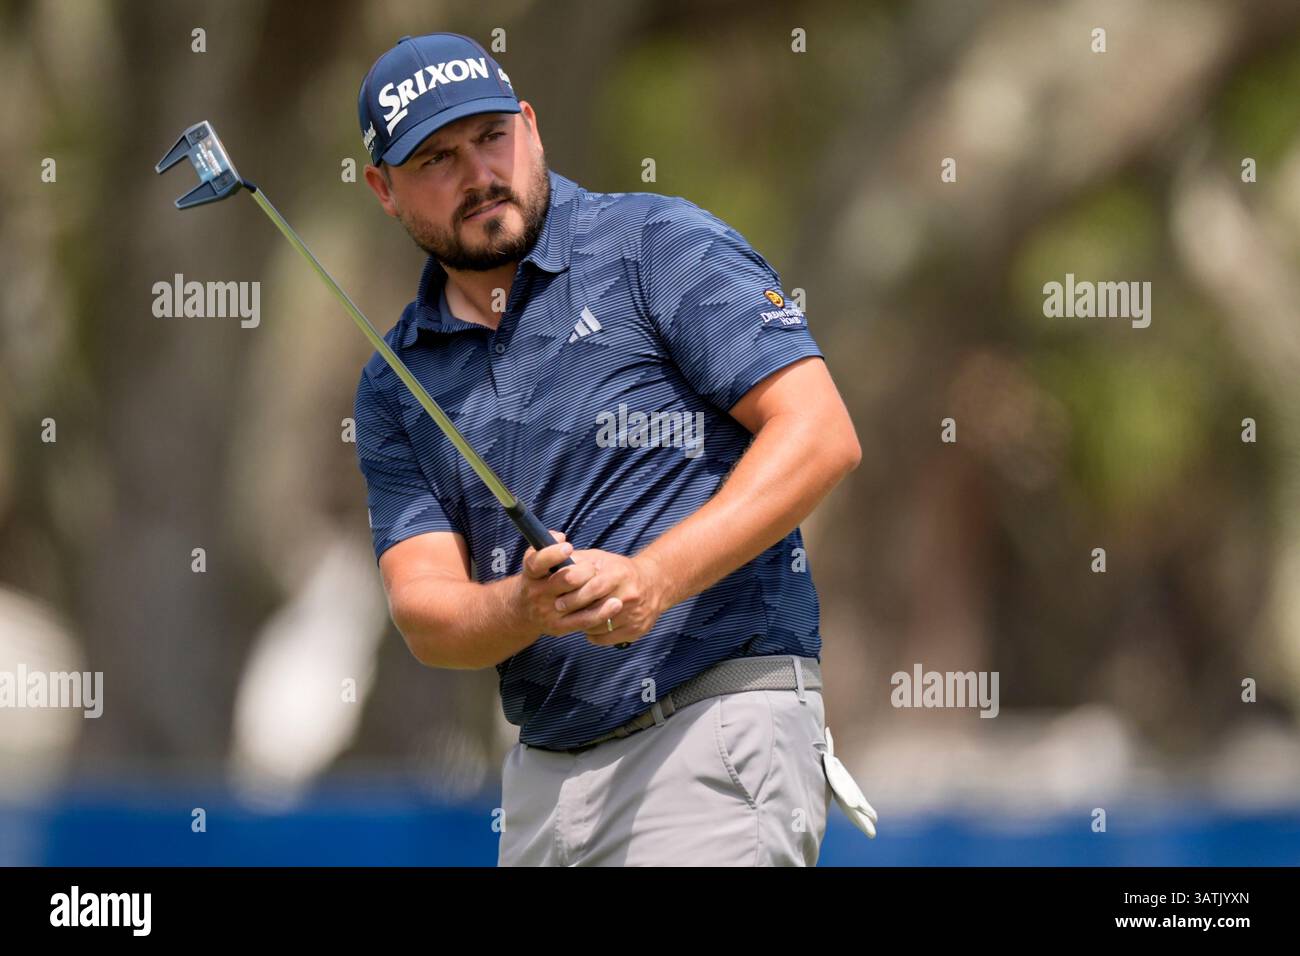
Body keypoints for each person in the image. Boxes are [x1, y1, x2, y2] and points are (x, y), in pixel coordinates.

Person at [353, 32, 869, 865]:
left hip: (710, 727)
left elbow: (819, 434)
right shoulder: (394, 384)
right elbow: (426, 612)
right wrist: (520, 608)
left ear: (530, 125)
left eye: (491, 137)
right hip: (545, 781)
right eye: (438, 158)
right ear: (384, 188)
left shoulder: (654, 245)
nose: (480, 173)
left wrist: (652, 580)